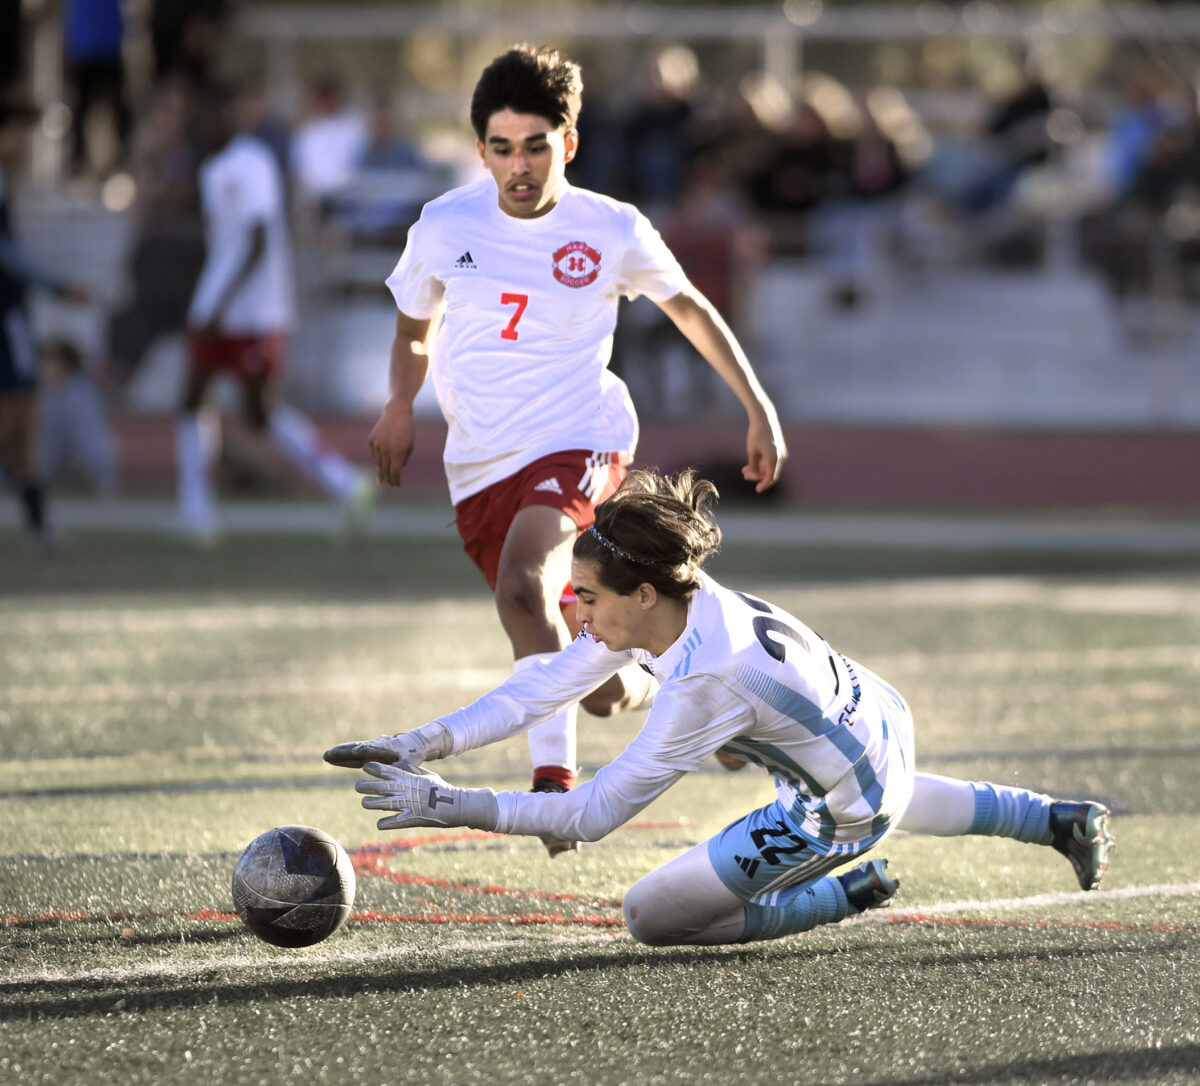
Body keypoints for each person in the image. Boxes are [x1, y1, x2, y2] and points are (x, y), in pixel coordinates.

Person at [326, 469, 1115, 947]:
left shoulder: (707, 677)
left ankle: (837, 892)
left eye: (588, 598)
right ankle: (1055, 819)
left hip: (840, 802)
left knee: (649, 916)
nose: (578, 614)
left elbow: (592, 814)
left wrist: (451, 804)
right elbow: (543, 686)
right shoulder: (672, 599)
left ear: (639, 593)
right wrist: (422, 743)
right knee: (869, 777)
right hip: (878, 722)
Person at [370, 45, 786, 855]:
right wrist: (397, 403)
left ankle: (553, 789)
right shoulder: (446, 224)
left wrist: (757, 406)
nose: (518, 166)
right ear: (480, 147)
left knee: (526, 583)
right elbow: (412, 331)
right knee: (594, 678)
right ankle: (691, 710)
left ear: (569, 142)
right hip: (479, 466)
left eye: (535, 145)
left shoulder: (611, 228)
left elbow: (691, 308)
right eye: (501, 146)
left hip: (581, 436)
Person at [178, 84, 372, 540]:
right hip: (220, 307)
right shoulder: (212, 167)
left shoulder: (252, 163)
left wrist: (219, 303)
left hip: (252, 311)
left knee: (257, 413)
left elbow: (258, 238)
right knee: (192, 399)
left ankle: (344, 481)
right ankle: (196, 512)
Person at [0, 94, 90, 552]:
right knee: (20, 419)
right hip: (5, 314)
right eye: (19, 132)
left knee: (20, 424)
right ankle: (40, 528)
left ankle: (40, 528)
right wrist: (58, 286)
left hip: (10, 313)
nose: (22, 145)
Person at [38, 336, 117, 494]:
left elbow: (91, 440)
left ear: (66, 365)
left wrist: (101, 476)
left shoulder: (79, 396)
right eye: (44, 361)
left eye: (51, 361)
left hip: (52, 466)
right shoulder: (36, 392)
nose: (44, 367)